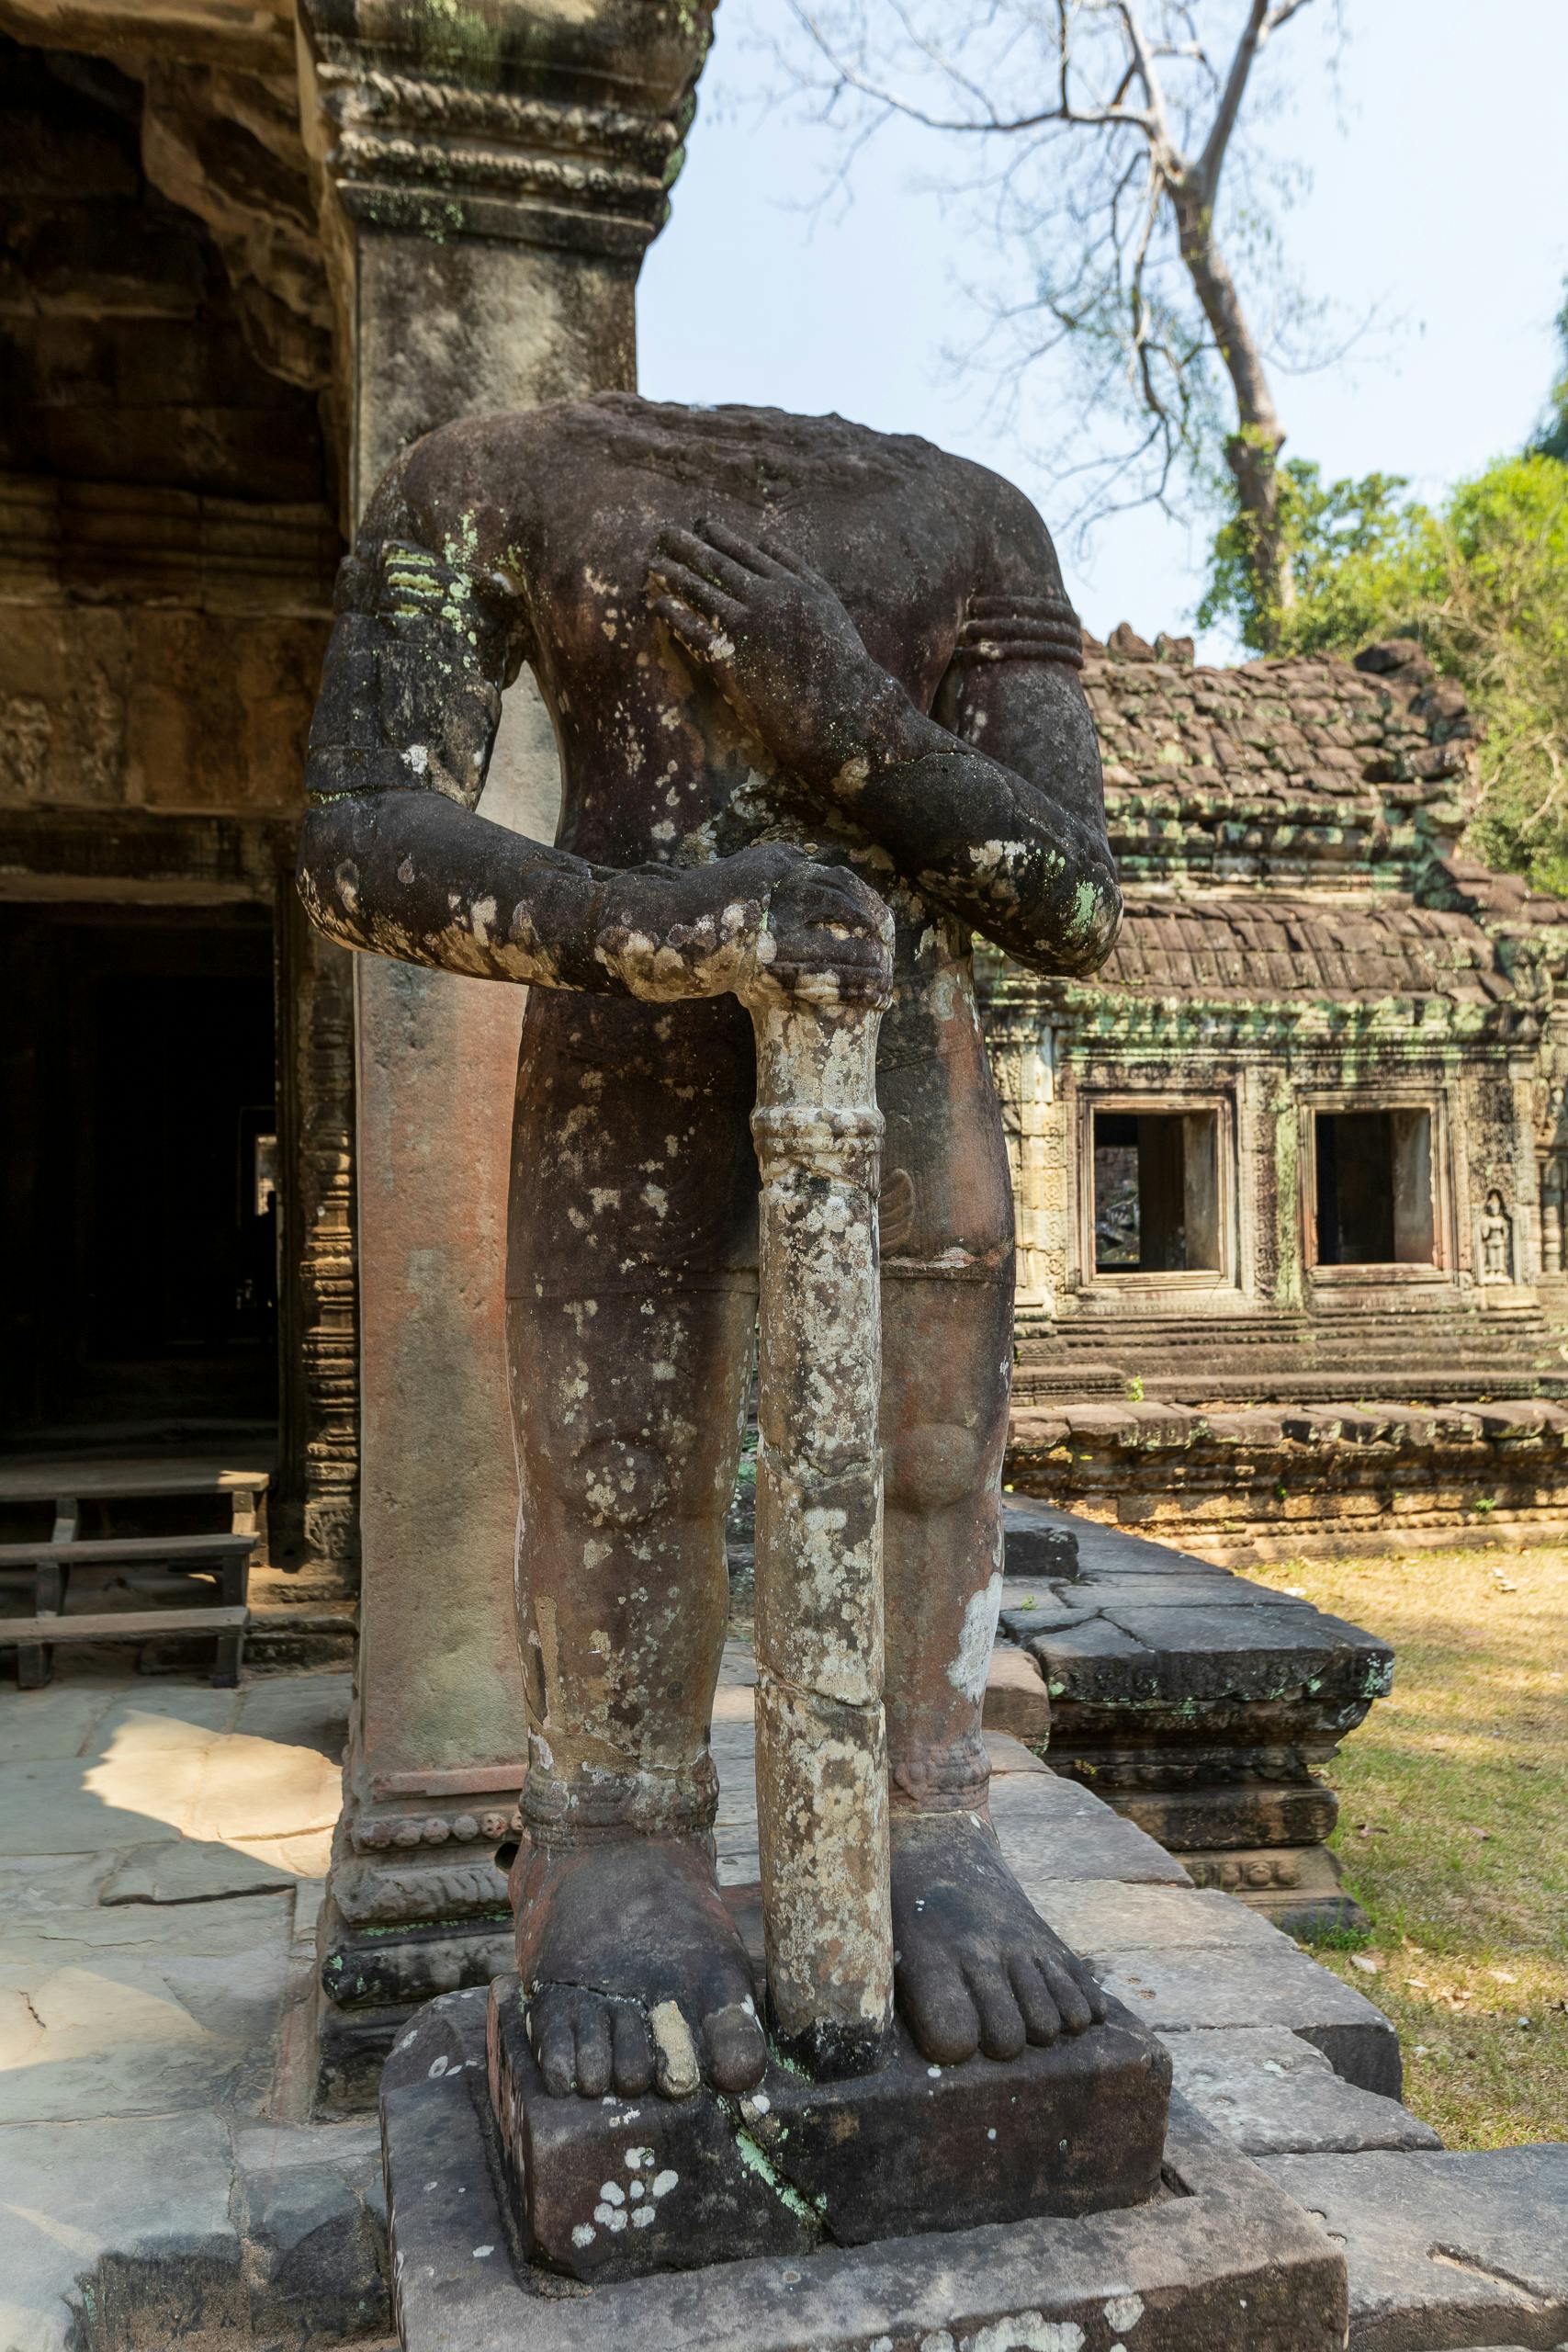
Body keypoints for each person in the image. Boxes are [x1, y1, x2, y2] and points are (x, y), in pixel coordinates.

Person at [299, 394, 1121, 2101]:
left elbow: (1072, 895)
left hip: (903, 1050)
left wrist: (842, 718)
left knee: (923, 1460)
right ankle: (610, 1838)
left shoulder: (975, 515)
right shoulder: (491, 479)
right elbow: (356, 829)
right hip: (629, 1053)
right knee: (616, 1468)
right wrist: (648, 925)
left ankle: (931, 1816)